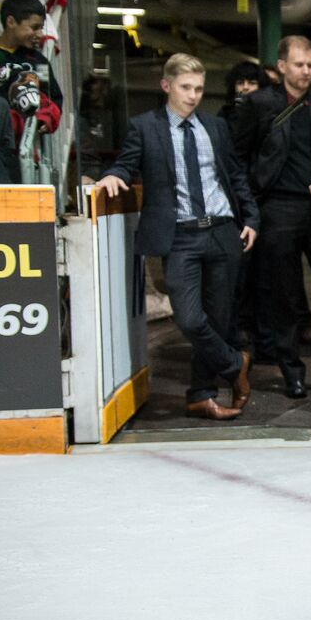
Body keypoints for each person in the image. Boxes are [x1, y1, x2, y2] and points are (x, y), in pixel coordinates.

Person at [97, 53, 259, 419]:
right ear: (166, 86)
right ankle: (236, 364)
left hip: (221, 230)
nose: (193, 96)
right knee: (188, 318)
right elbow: (127, 161)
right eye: (186, 88)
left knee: (219, 319)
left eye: (199, 88)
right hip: (180, 237)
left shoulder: (215, 126)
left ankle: (201, 395)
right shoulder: (146, 126)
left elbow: (233, 175)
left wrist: (251, 216)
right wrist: (112, 174)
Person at [232, 35, 311, 399]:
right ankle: (292, 371)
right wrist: (250, 208)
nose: (307, 71)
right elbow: (238, 159)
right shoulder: (258, 104)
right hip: (277, 207)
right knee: (283, 294)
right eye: (300, 64)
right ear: (282, 66)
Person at [0, 0, 61, 110]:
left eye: (41, 28)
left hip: (29, 127)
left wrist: (45, 121)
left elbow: (52, 99)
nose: (40, 34)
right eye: (34, 27)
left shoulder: (39, 62)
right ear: (11, 22)